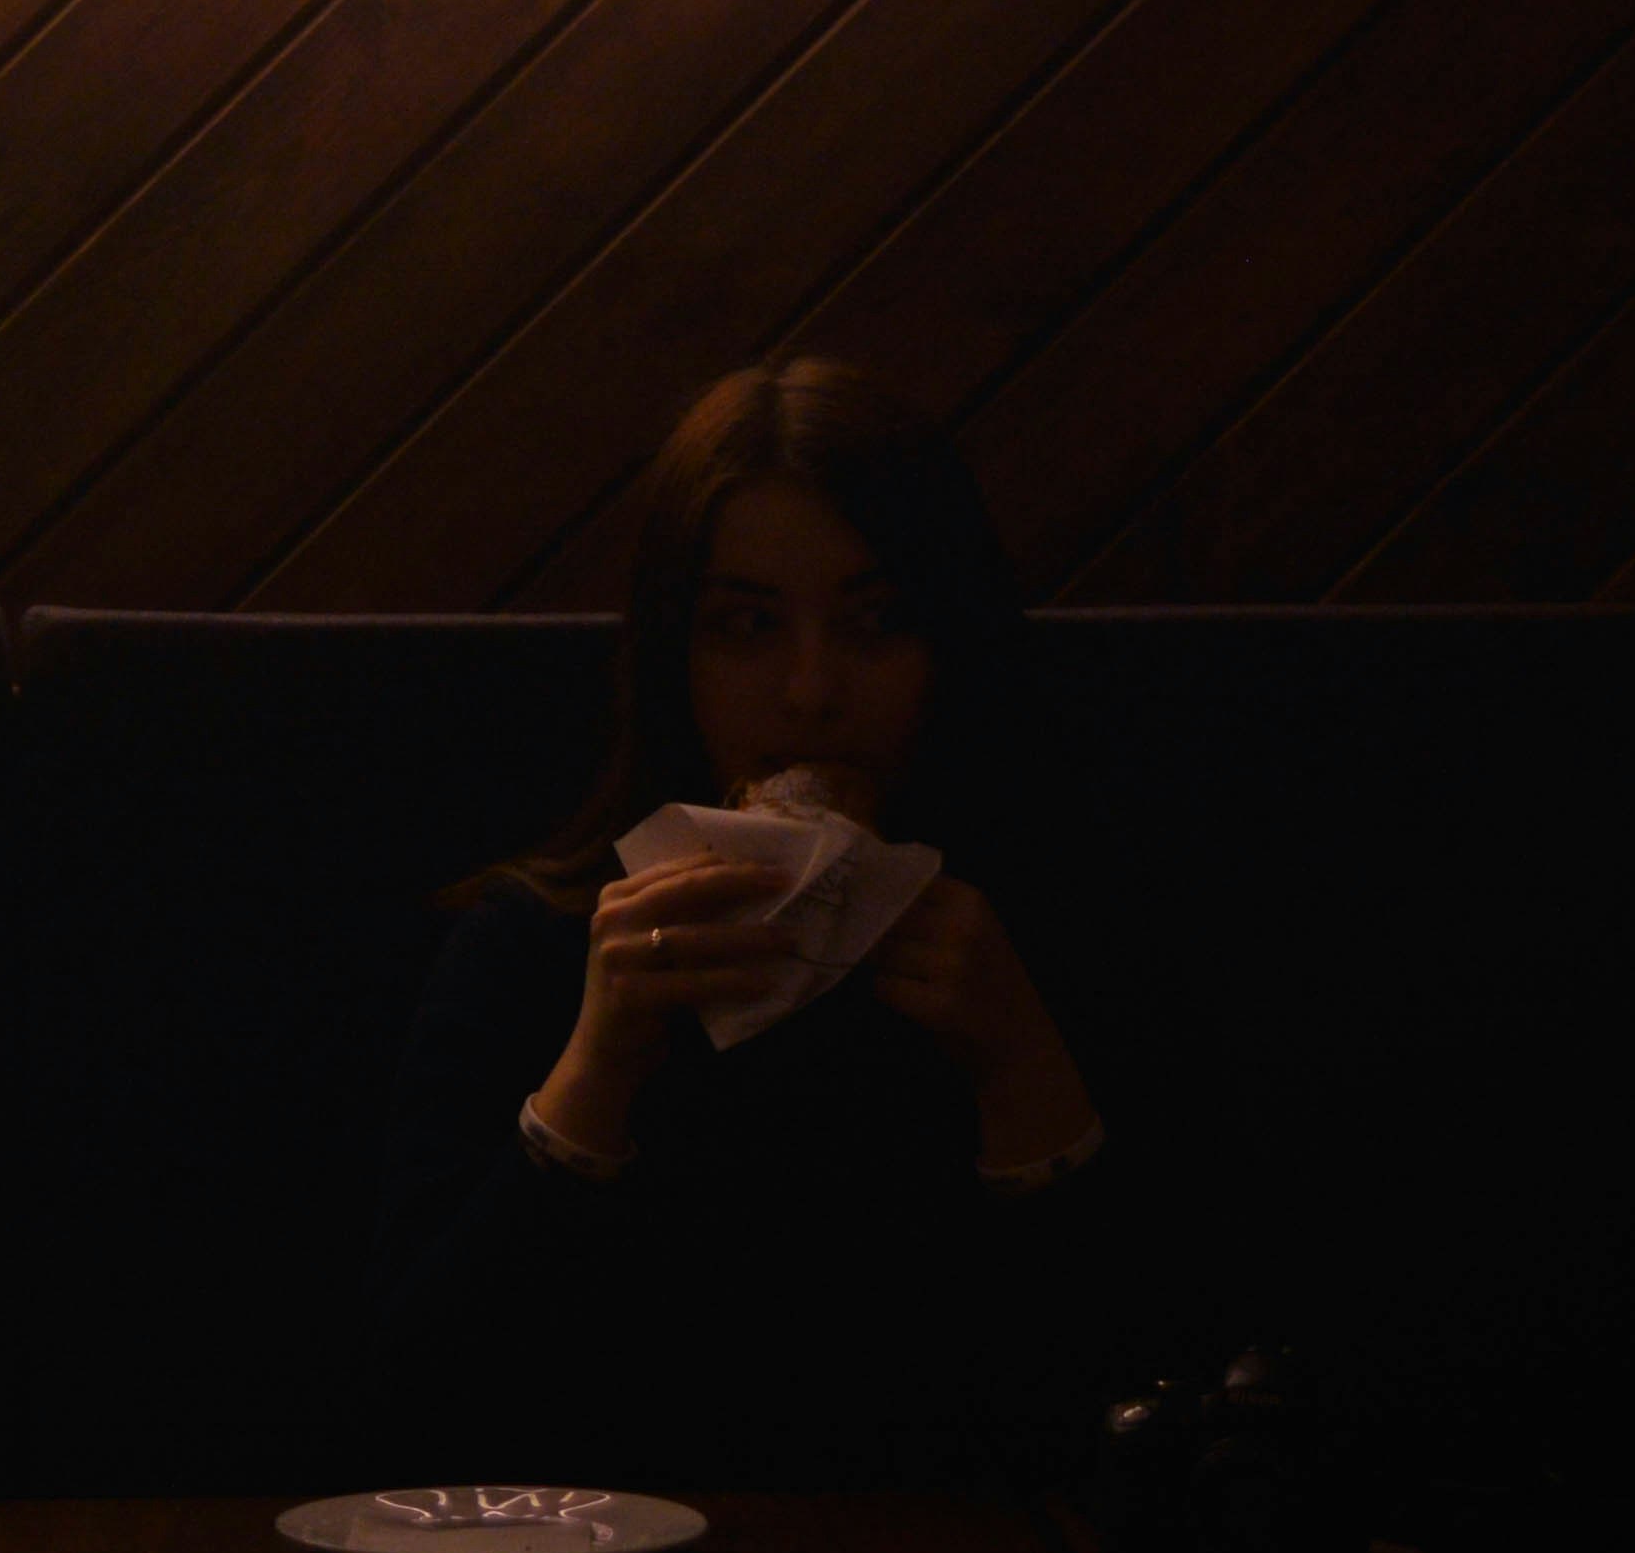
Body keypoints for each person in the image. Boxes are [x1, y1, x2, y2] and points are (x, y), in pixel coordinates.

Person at [368, 358, 1188, 1492]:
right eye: (746, 626)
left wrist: (1023, 1074)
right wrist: (592, 1080)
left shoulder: (1052, 933)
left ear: (951, 642)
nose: (810, 692)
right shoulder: (536, 949)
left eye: (875, 621)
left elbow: (1166, 1408)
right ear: (675, 657)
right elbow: (410, 1427)